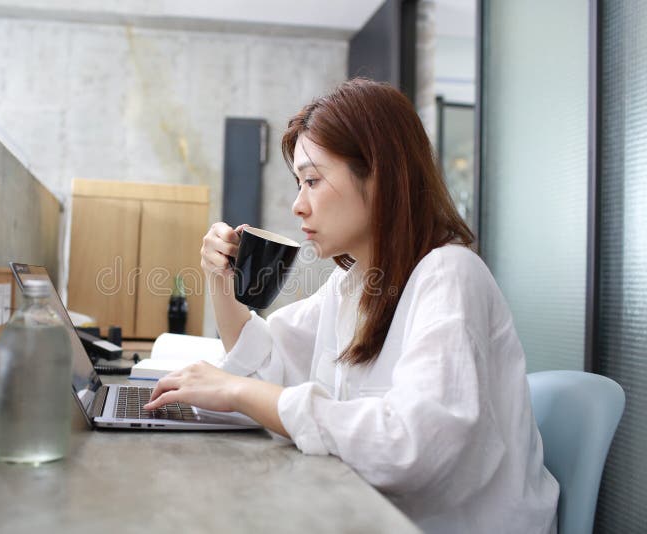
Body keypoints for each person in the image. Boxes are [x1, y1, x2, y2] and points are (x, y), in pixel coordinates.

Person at [143, 79, 559, 533]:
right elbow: (262, 362)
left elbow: (412, 446)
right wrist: (222, 280)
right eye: (299, 183)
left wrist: (238, 392)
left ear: (379, 174)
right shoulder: (353, 283)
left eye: (312, 181)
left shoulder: (449, 274)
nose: (298, 205)